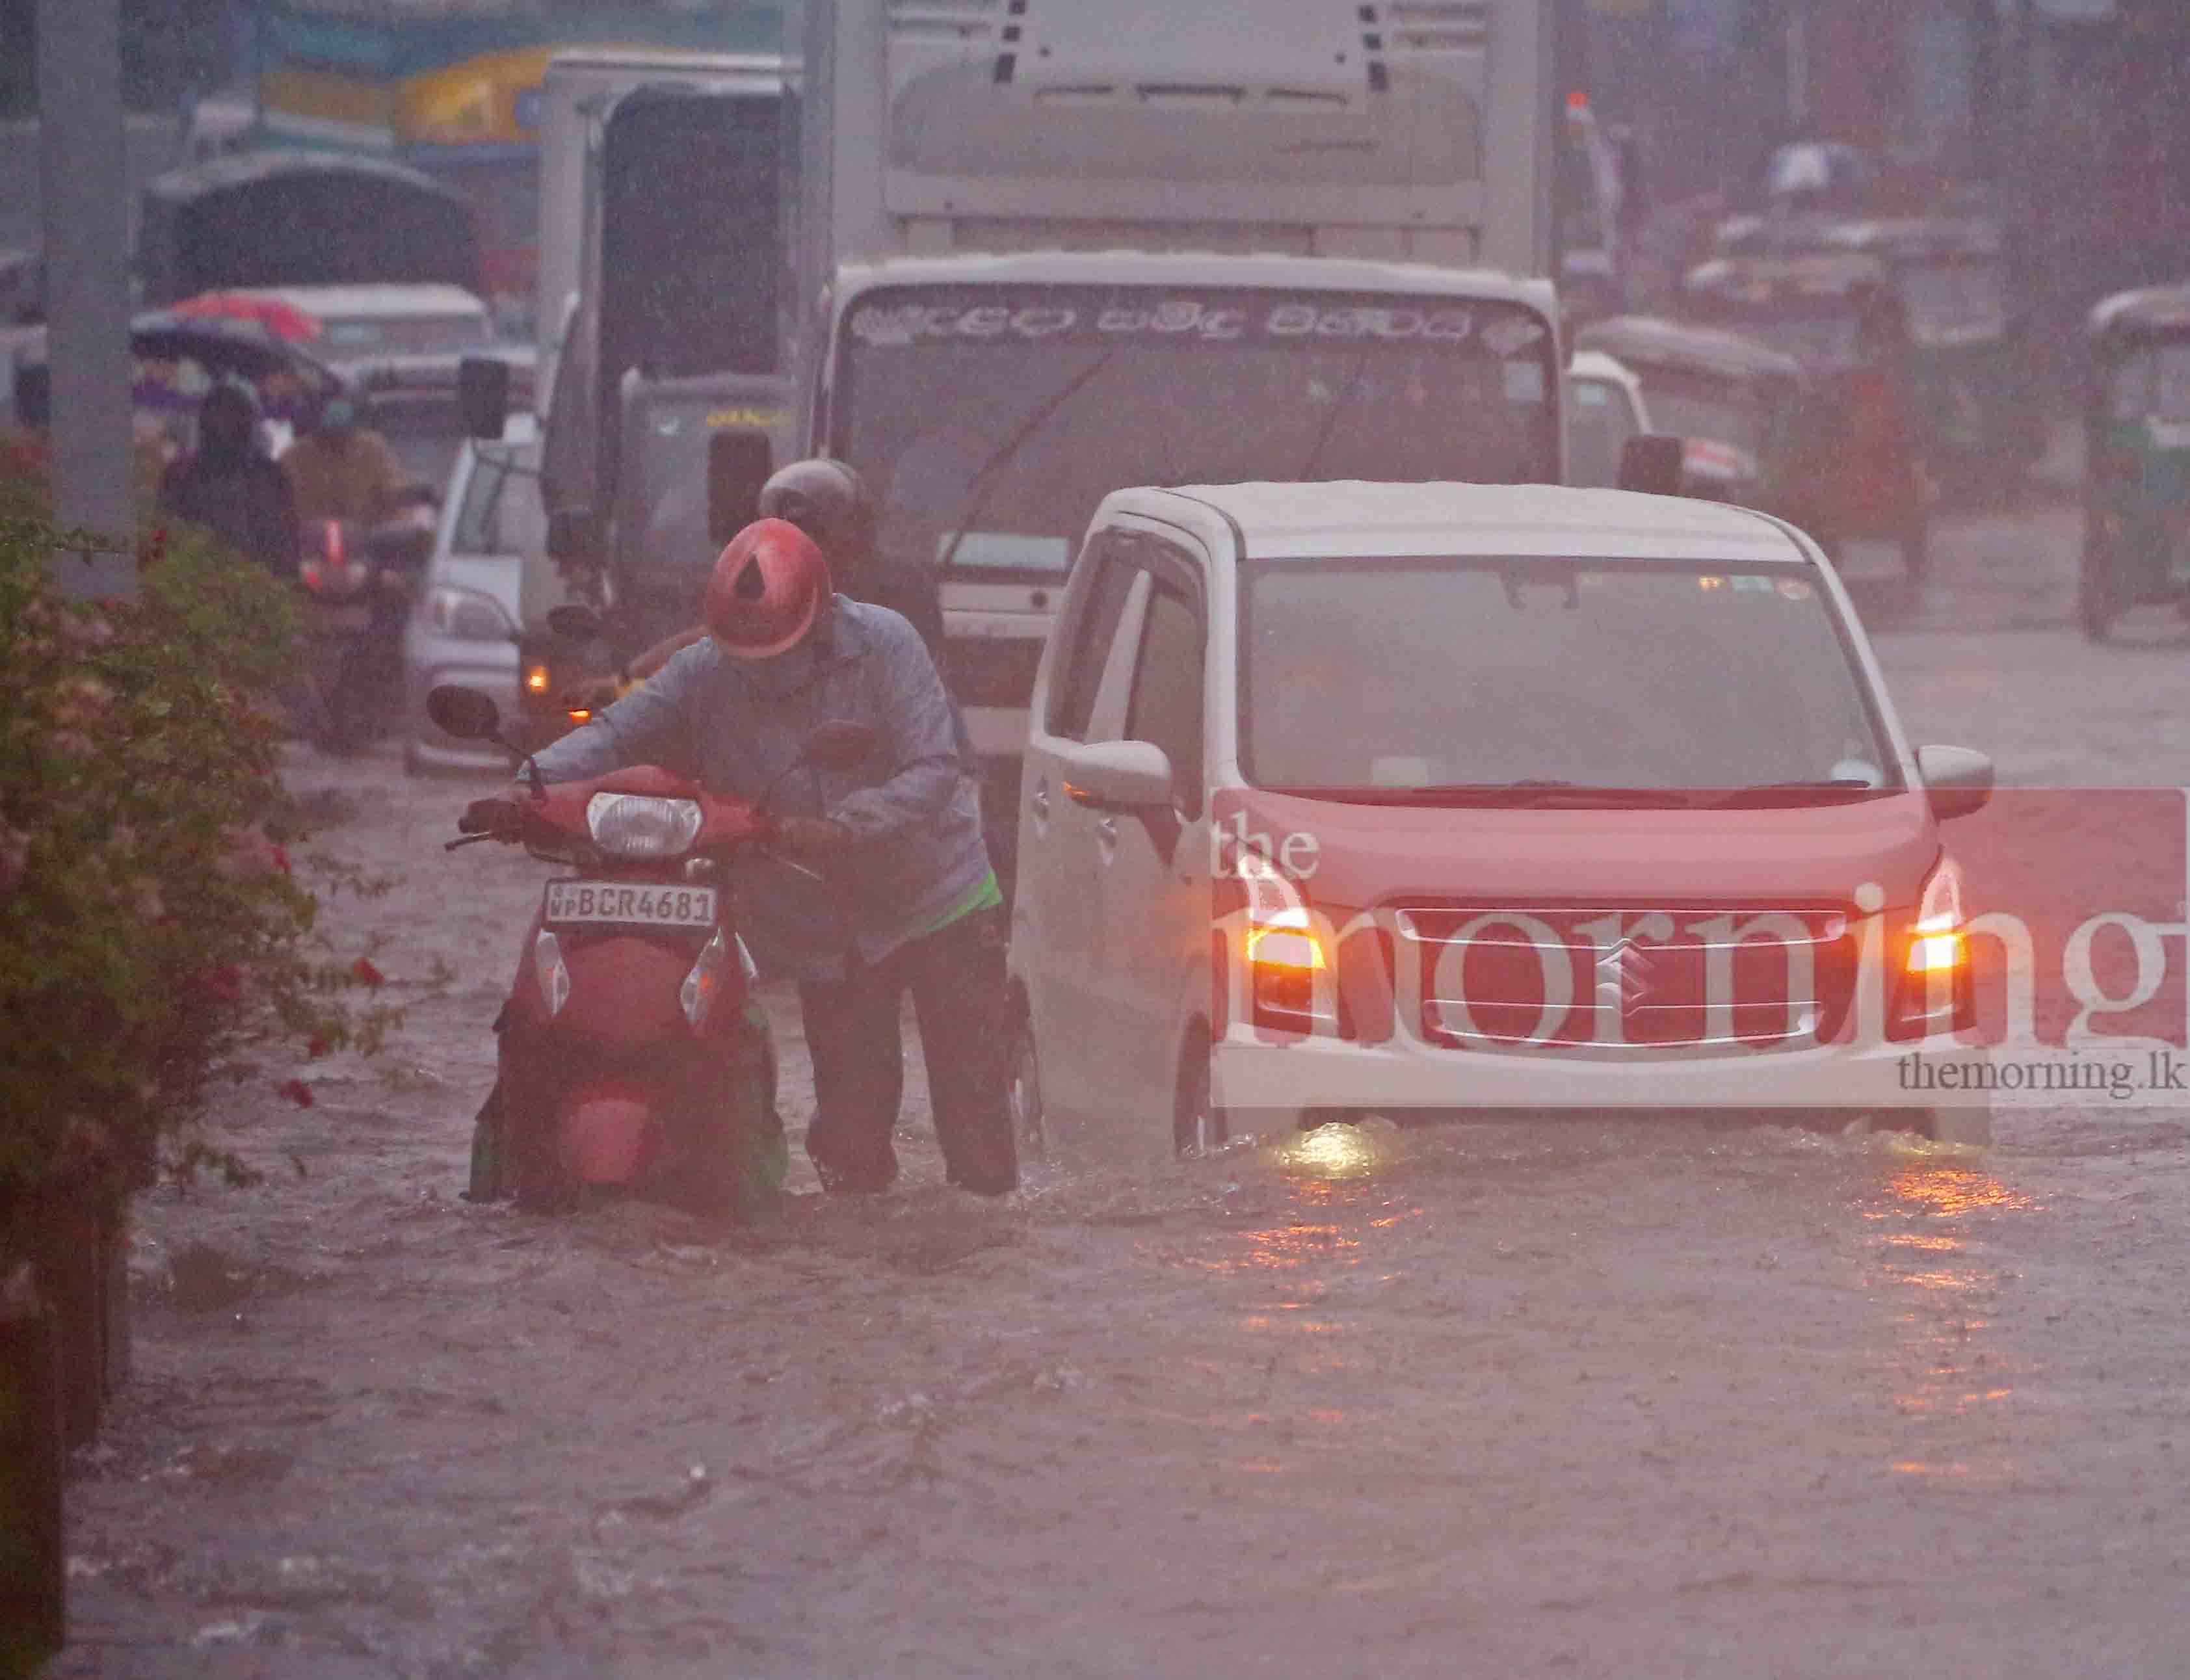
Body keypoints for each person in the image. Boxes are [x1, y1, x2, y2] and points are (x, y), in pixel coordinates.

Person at [477, 518, 1018, 1197]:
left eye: (777, 653)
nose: (761, 671)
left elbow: (933, 768)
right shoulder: (706, 669)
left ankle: (981, 1242)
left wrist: (845, 827)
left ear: (819, 620)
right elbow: (617, 733)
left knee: (974, 1120)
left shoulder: (887, 645)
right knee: (849, 1134)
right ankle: (862, 1260)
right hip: (825, 923)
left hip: (937, 899)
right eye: (745, 655)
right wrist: (527, 786)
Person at [155, 382, 300, 579]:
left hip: (254, 586)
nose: (224, 427)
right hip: (197, 583)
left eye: (233, 419)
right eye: (220, 418)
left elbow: (285, 541)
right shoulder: (180, 474)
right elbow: (165, 537)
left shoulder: (269, 475)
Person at [279, 389, 419, 524]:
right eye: (329, 433)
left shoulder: (372, 449)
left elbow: (392, 485)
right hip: (310, 539)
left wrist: (403, 497)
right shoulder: (295, 456)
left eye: (343, 432)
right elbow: (278, 494)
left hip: (367, 536)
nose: (337, 438)